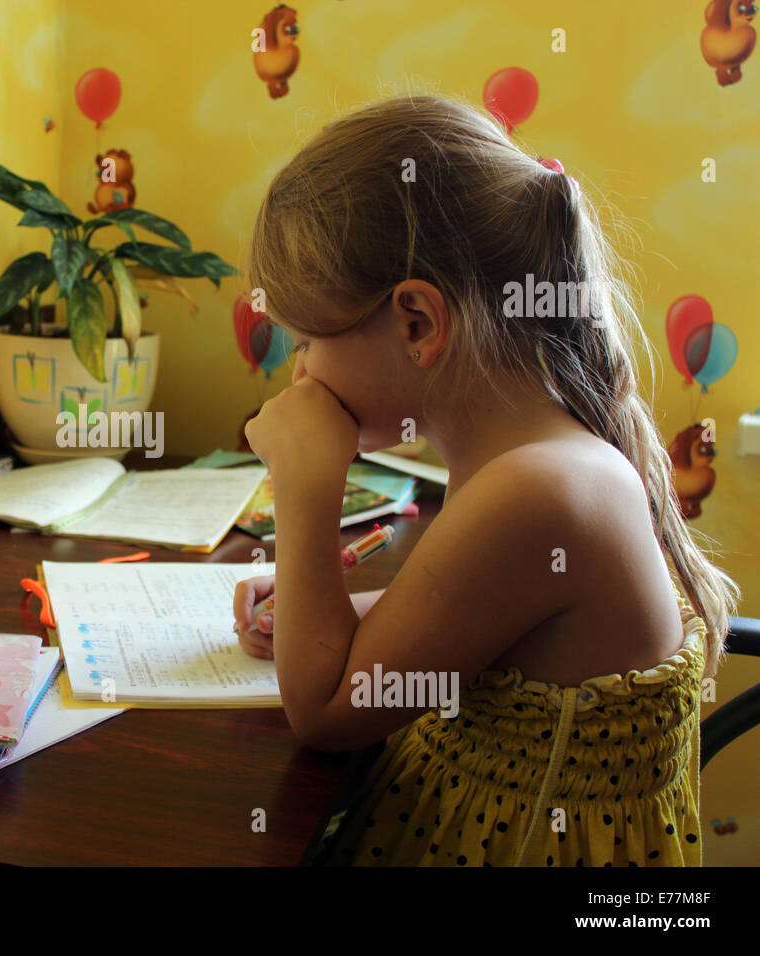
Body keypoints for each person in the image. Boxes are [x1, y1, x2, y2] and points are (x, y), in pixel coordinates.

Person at [232, 95, 738, 867]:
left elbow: (329, 712)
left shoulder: (538, 490)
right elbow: (481, 620)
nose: (297, 371)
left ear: (418, 324)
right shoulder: (530, 456)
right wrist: (320, 606)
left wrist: (304, 487)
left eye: (308, 340)